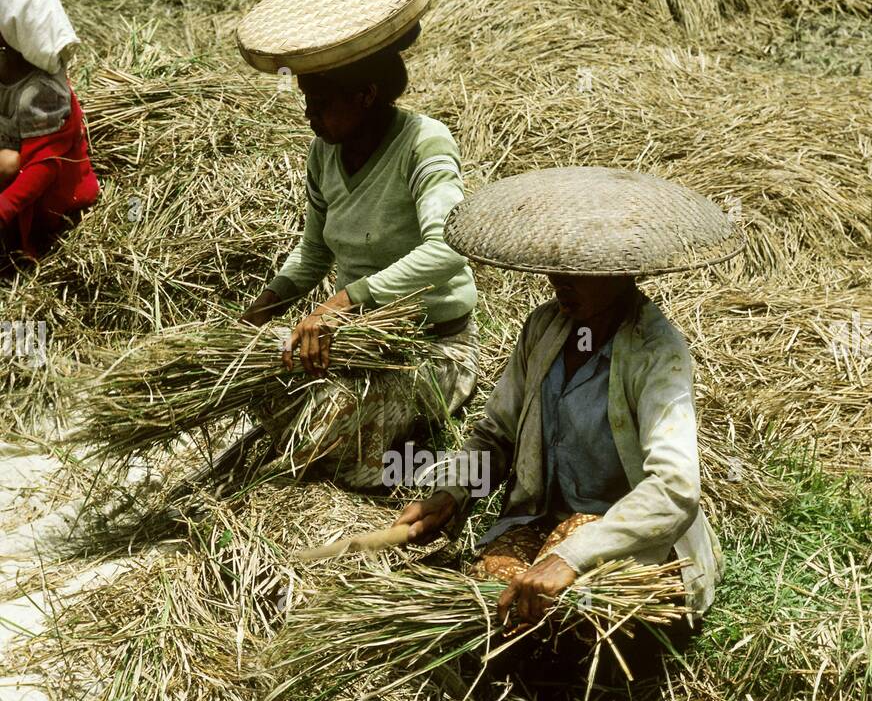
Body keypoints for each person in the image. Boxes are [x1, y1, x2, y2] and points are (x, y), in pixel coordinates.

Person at [393, 166, 743, 642]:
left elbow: (675, 488)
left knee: (561, 617)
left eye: (582, 269)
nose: (561, 280)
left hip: (624, 539)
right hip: (543, 522)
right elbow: (496, 436)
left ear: (623, 271)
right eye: (558, 264)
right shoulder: (545, 329)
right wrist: (453, 493)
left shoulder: (655, 353)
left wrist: (571, 556)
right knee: (488, 604)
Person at [240, 33, 478, 489]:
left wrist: (343, 303)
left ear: (365, 96)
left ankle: (405, 460)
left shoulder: (423, 143)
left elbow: (449, 246)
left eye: (321, 102)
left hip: (430, 347)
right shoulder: (324, 151)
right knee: (262, 384)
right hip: (361, 344)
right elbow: (314, 251)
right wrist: (261, 310)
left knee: (320, 439)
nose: (309, 115)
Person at [0, 0, 99, 259]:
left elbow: (42, 168)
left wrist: (3, 210)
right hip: (9, 160)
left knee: (7, 162)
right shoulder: (6, 63)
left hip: (42, 197)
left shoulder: (42, 94)